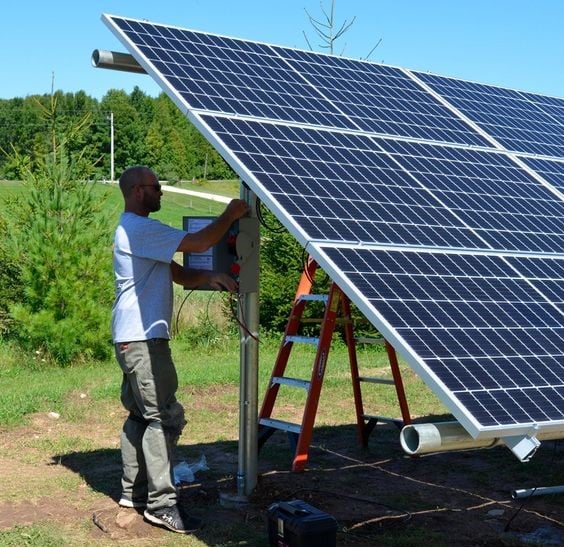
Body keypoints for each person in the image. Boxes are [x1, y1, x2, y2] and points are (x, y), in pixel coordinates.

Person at [111, 165, 249, 534]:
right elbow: (201, 243)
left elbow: (177, 273)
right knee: (164, 418)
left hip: (131, 338)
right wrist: (232, 214)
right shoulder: (140, 227)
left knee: (141, 416)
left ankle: (134, 494)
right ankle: (161, 504)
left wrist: (209, 277)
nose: (162, 194)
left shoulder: (136, 232)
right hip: (143, 340)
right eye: (157, 188)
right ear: (139, 191)